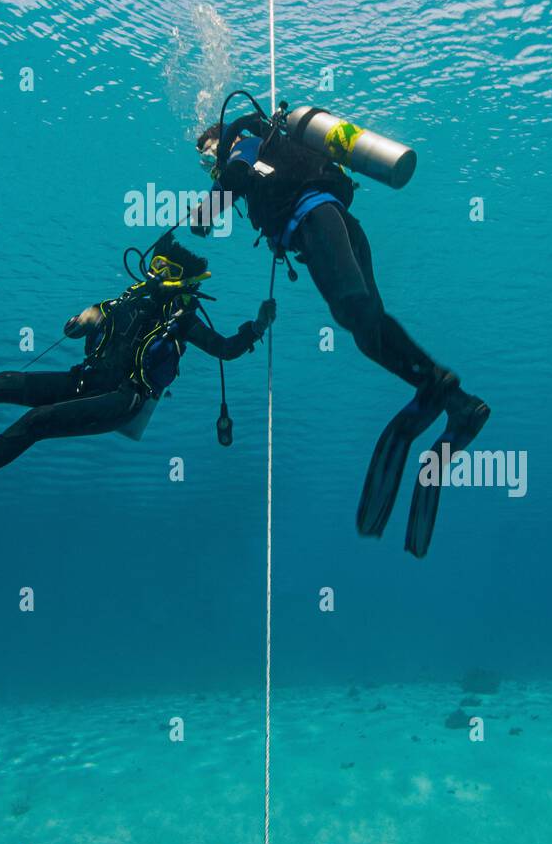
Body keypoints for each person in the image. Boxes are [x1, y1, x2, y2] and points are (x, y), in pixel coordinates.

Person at [194, 106, 490, 556]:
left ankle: (439, 383)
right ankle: (455, 402)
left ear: (218, 140)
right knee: (367, 331)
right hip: (341, 225)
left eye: (206, 154)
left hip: (316, 222)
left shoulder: (244, 142)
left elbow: (233, 176)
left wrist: (203, 212)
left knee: (355, 313)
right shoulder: (281, 143)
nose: (207, 162)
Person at [0, 233, 276, 521]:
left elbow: (224, 349)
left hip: (123, 400)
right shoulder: (120, 302)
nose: (157, 274)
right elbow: (76, 327)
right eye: (157, 264)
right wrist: (82, 319)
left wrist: (256, 327)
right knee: (5, 382)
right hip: (85, 379)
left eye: (169, 271)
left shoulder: (181, 318)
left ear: (184, 281)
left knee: (37, 422)